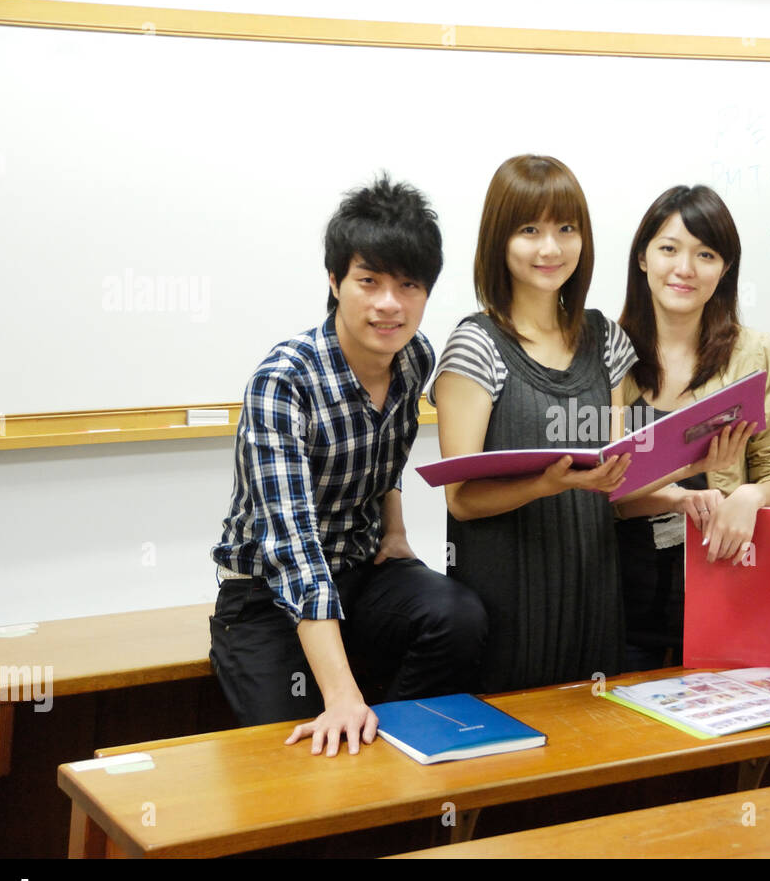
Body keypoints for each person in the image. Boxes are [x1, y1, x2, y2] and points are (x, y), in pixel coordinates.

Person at [209, 174, 487, 756]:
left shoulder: (414, 357)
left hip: (360, 574)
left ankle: (388, 745)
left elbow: (389, 455)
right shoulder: (284, 381)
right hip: (266, 596)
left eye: (408, 285)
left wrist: (396, 530)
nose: (389, 303)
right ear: (335, 281)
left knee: (458, 616)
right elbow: (293, 551)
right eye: (369, 281)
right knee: (294, 755)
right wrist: (340, 695)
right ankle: (356, 727)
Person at [432, 154, 634, 692]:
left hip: (593, 586)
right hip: (508, 594)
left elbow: (613, 479)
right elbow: (461, 500)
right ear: (499, 239)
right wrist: (545, 484)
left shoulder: (605, 338)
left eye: (566, 228)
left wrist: (691, 471)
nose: (551, 247)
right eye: (529, 230)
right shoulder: (476, 344)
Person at [615, 185, 770, 670]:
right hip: (616, 597)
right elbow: (595, 492)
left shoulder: (758, 355)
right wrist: (675, 495)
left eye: (706, 254)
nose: (685, 268)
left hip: (722, 587)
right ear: (642, 258)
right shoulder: (604, 354)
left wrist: (751, 497)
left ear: (725, 269)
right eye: (669, 248)